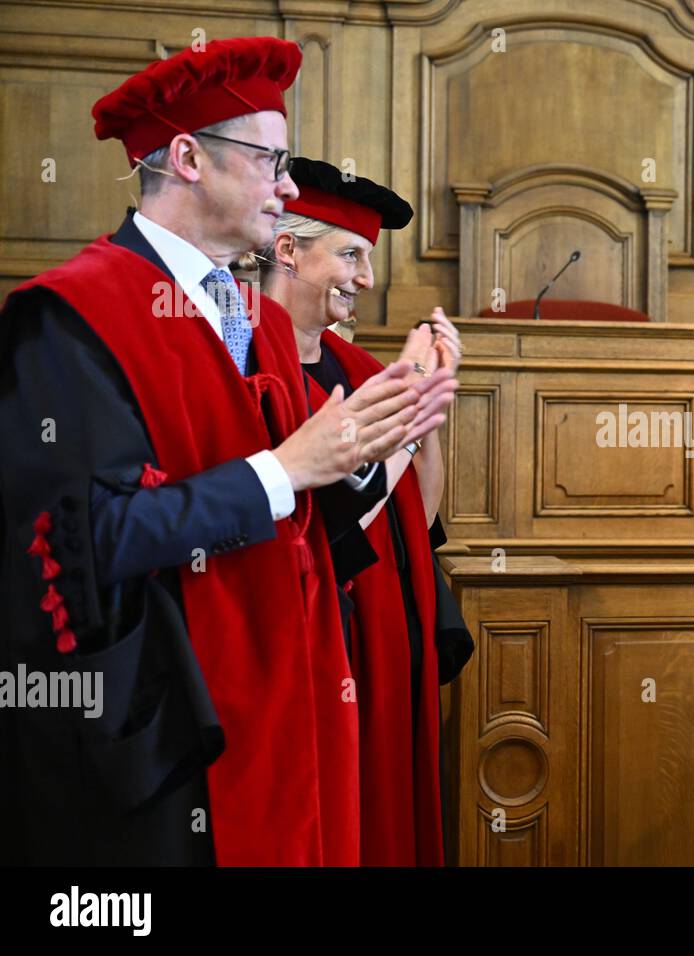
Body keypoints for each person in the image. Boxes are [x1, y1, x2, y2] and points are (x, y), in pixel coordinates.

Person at [0, 37, 448, 865]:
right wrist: (286, 468)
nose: (288, 184)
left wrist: (382, 438)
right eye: (270, 159)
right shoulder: (70, 317)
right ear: (186, 157)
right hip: (177, 740)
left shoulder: (257, 321)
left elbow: (303, 535)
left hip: (295, 720)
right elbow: (84, 547)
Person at [256, 157, 473, 865]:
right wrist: (405, 412)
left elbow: (413, 523)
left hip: (379, 645)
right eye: (350, 255)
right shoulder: (244, 363)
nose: (367, 279)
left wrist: (427, 409)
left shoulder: (358, 371)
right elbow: (312, 524)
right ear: (288, 250)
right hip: (301, 646)